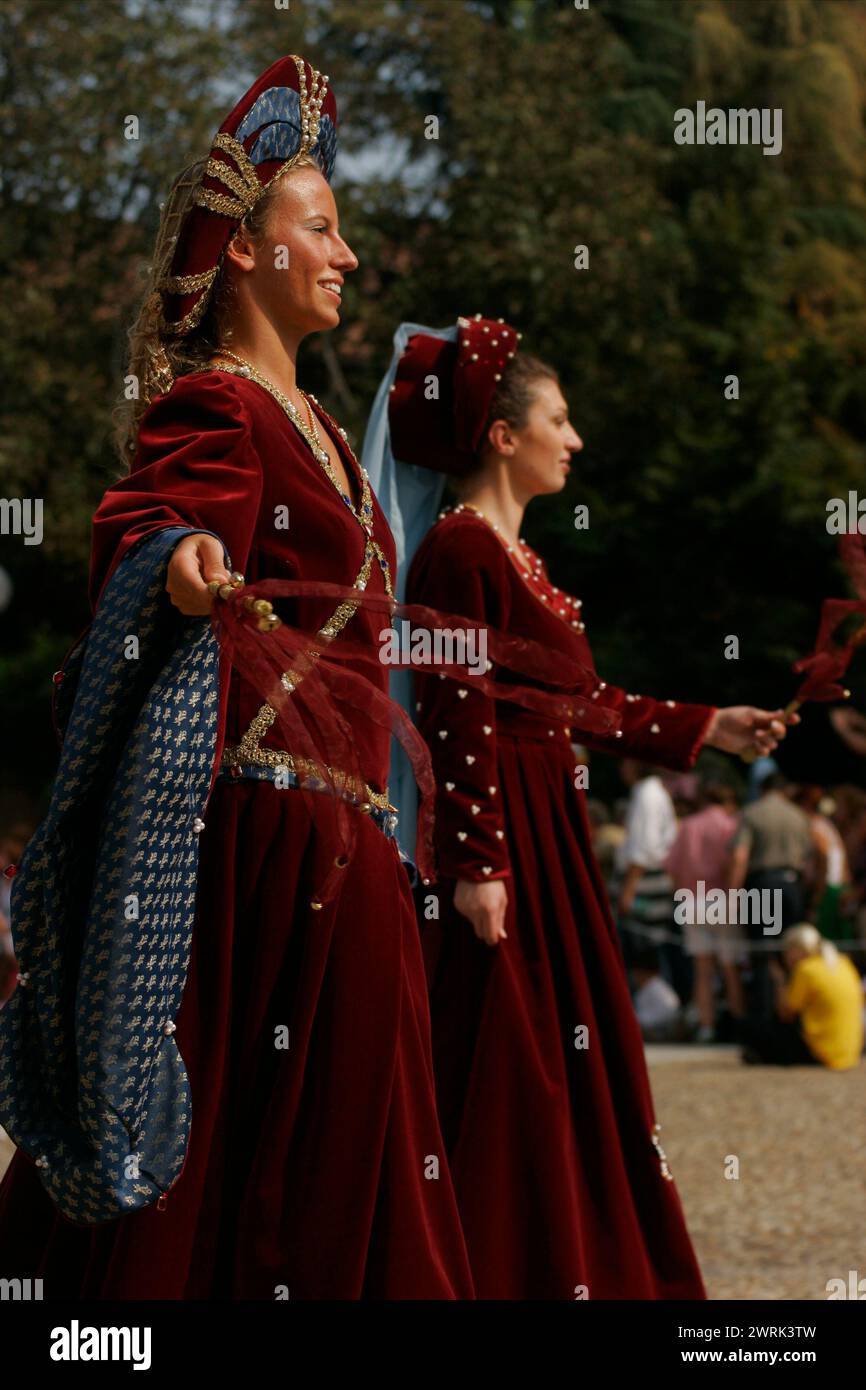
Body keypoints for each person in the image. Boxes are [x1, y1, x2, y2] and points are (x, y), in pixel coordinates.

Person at [0, 55, 474, 1300]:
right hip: (266, 839)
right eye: (322, 226)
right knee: (246, 1169)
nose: (348, 254)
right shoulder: (219, 403)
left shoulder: (318, 428)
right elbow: (149, 520)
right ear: (253, 253)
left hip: (345, 835)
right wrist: (183, 561)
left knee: (351, 1156)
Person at [362, 313, 797, 1299]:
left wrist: (707, 726)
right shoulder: (460, 553)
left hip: (542, 830)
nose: (576, 437)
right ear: (502, 435)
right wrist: (475, 861)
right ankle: (495, 1266)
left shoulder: (519, 566)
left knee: (564, 1055)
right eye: (558, 418)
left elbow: (577, 705)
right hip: (506, 836)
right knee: (510, 1060)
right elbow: (453, 703)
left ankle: (574, 1262)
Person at [727, 769, 820, 1023]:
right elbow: (811, 860)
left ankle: (766, 1016)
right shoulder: (799, 816)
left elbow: (739, 855)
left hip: (762, 885)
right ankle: (792, 1014)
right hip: (792, 886)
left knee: (763, 953)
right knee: (794, 952)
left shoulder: (752, 813)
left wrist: (733, 895)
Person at [664, 780, 743, 1041]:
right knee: (730, 966)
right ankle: (737, 1021)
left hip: (692, 900)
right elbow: (734, 862)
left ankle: (707, 1026)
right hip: (720, 899)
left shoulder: (687, 826)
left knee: (702, 969)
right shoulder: (729, 826)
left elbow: (672, 867)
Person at [739, 924, 864, 1068]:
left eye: (788, 949)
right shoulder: (843, 962)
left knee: (750, 1028)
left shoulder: (806, 969)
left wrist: (780, 981)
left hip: (822, 1052)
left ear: (798, 950)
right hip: (850, 1053)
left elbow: (786, 1014)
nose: (785, 955)